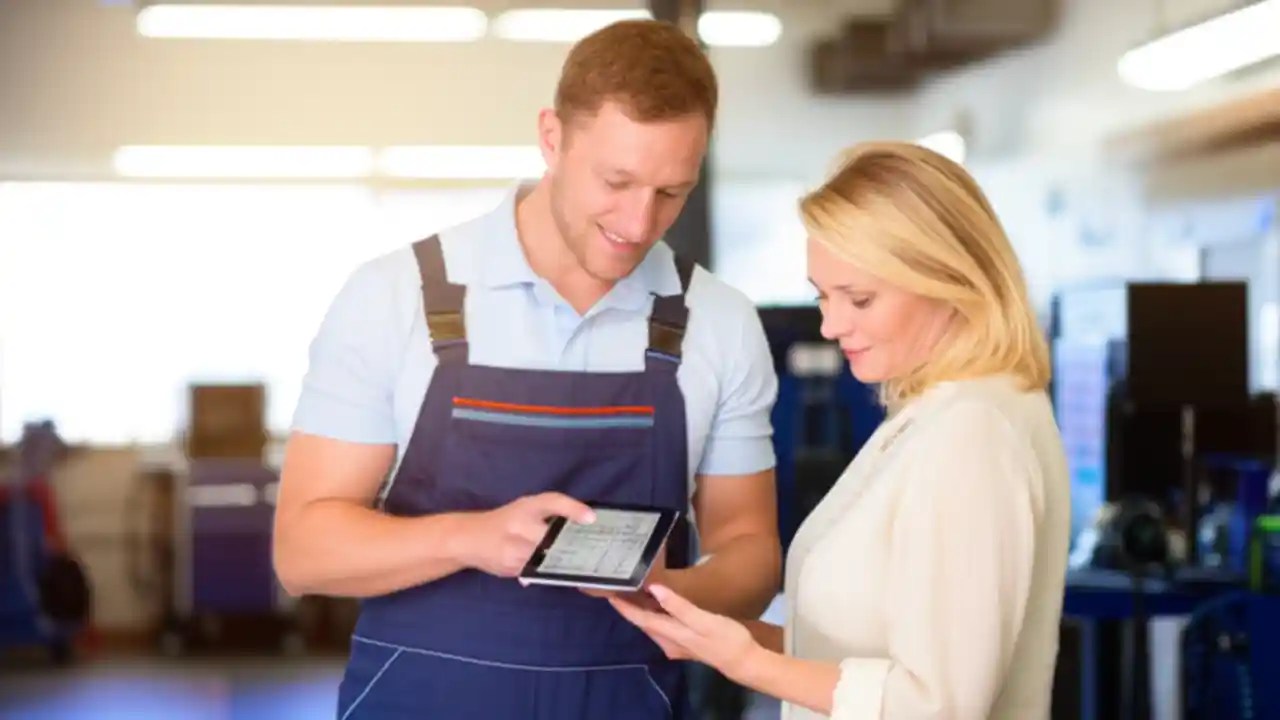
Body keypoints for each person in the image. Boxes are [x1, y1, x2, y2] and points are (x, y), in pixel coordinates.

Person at [270, 19, 782, 720]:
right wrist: (470, 538)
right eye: (617, 181)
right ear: (551, 137)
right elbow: (303, 552)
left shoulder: (718, 322)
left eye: (672, 192)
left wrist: (672, 590)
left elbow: (750, 550)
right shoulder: (397, 298)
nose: (638, 222)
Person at [610, 141, 1072, 720]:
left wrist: (749, 665)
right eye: (822, 296)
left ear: (948, 279)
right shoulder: (933, 414)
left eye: (859, 299)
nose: (830, 324)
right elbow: (866, 661)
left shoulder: (973, 432)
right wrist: (724, 640)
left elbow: (940, 707)